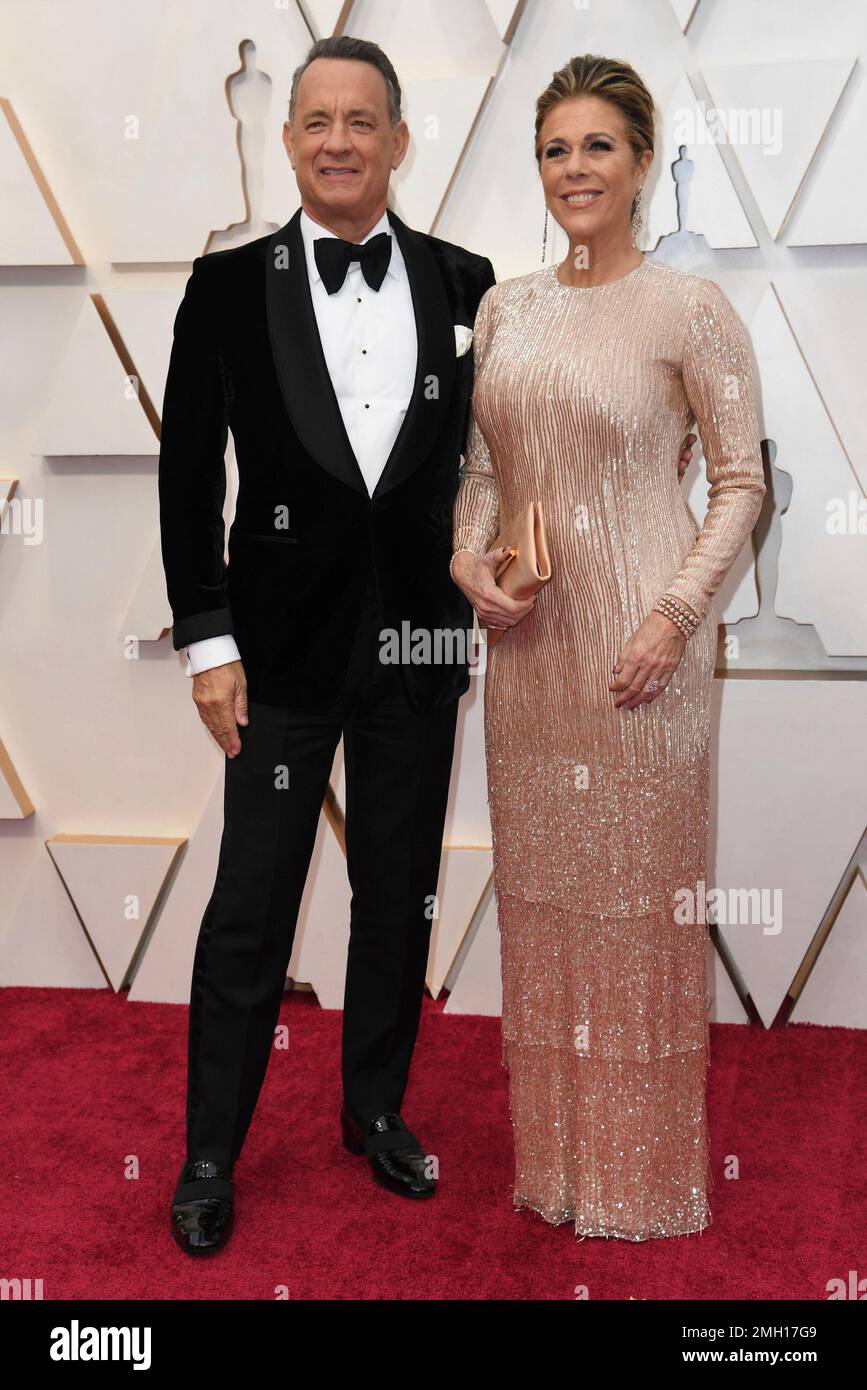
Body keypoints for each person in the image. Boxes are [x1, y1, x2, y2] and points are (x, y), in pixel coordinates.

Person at [450, 54, 766, 1240]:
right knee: (542, 902)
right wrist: (465, 561)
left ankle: (641, 1181)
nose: (573, 170)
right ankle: (562, 1167)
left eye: (597, 147)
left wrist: (676, 615)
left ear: (641, 164)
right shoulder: (505, 309)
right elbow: (485, 471)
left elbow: (739, 484)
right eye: (554, 149)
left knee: (636, 907)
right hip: (527, 654)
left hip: (647, 650)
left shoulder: (693, 309)